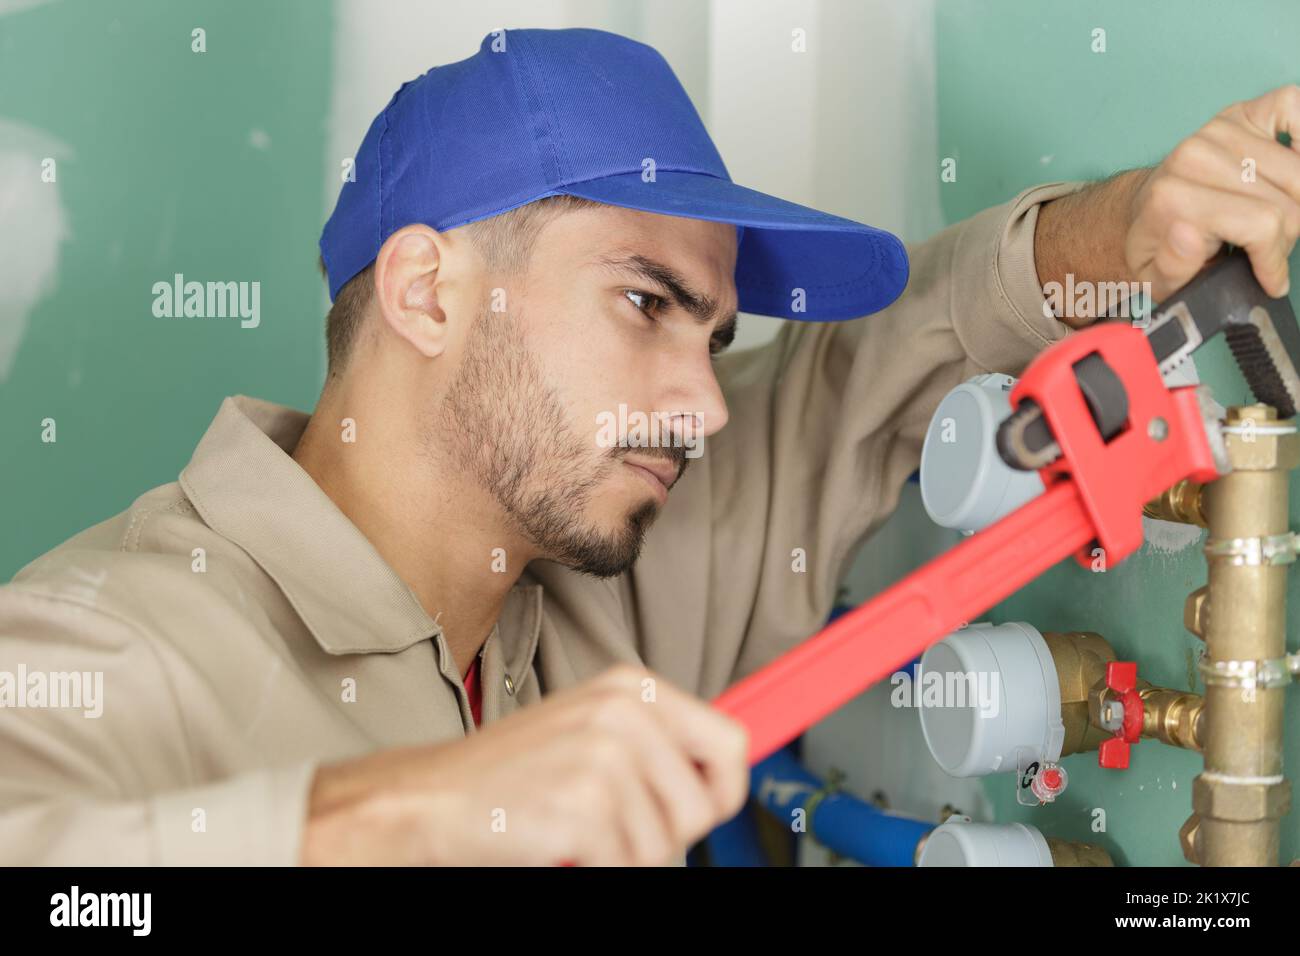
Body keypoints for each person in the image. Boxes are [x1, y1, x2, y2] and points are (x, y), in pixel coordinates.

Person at [2, 27, 1297, 866]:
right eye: (645, 304)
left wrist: (1130, 237)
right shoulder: (110, 645)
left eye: (717, 331)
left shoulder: (594, 589)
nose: (708, 401)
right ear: (427, 292)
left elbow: (871, 360)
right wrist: (389, 816)